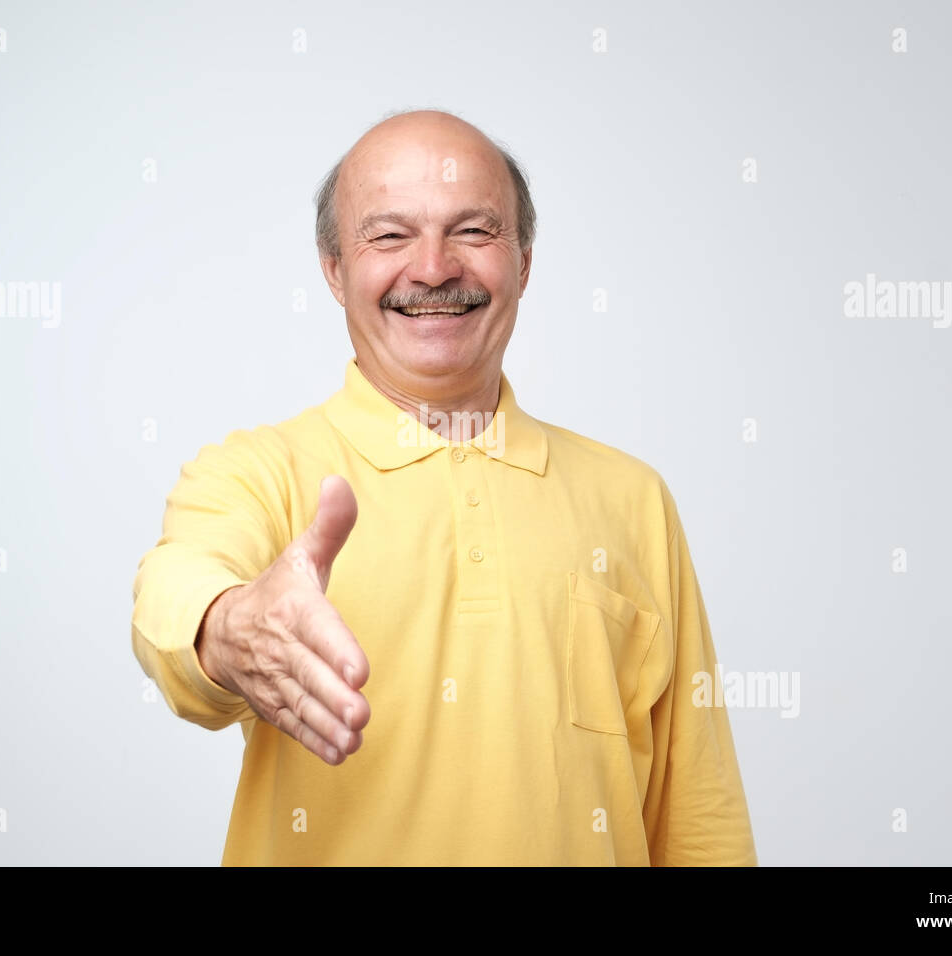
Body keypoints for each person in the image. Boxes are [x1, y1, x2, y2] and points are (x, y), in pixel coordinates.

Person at [131, 108, 758, 865]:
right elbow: (174, 591)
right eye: (389, 235)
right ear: (334, 269)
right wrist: (227, 627)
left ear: (524, 260)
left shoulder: (634, 500)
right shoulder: (259, 473)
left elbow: (699, 820)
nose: (432, 268)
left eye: (473, 231)